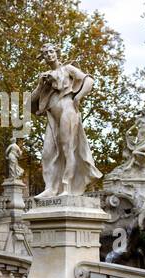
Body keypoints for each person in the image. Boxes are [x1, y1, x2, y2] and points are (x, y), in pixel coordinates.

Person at [29, 44, 102, 197]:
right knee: (47, 152)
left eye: (51, 51)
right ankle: (51, 188)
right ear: (43, 57)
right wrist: (40, 85)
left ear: (56, 52)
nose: (49, 55)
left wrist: (78, 97)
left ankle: (66, 186)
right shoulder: (45, 76)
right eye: (45, 53)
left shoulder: (68, 69)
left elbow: (89, 81)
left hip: (68, 110)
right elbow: (29, 103)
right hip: (52, 117)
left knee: (67, 149)